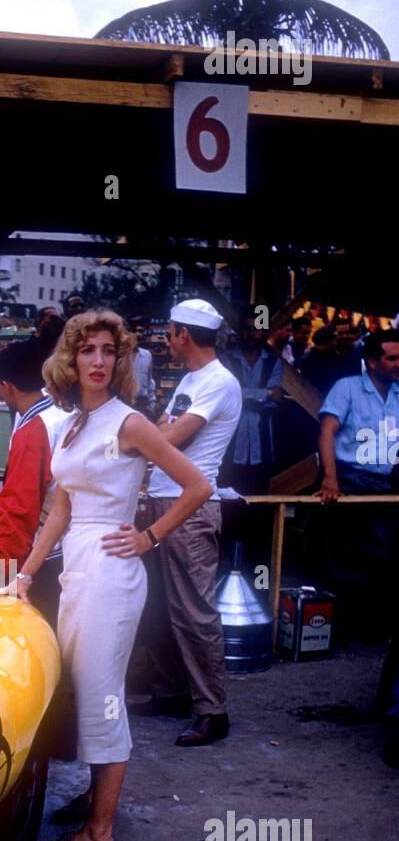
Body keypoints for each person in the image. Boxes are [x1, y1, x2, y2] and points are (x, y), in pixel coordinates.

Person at [13, 309, 212, 841]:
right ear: (70, 359)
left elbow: (198, 485)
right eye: (88, 351)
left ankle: (98, 835)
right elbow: (60, 509)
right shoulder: (75, 422)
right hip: (77, 567)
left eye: (108, 351)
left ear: (120, 360)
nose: (98, 361)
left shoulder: (130, 423)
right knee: (82, 687)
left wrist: (149, 537)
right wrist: (26, 574)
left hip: (112, 572)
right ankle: (95, 800)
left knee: (103, 697)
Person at [136, 299, 243, 746]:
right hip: (164, 498)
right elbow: (162, 427)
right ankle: (171, 692)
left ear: (183, 335)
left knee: (194, 612)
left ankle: (211, 709)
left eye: (171, 333)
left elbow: (171, 436)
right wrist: (156, 433)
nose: (167, 340)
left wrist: (147, 435)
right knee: (160, 606)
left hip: (190, 506)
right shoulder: (192, 379)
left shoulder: (218, 382)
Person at [0, 337, 72, 628]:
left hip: (50, 559)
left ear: (6, 386)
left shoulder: (36, 428)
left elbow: (20, 508)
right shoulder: (64, 415)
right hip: (77, 550)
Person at [317, 326, 399, 636]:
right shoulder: (347, 387)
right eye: (392, 359)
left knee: (383, 559)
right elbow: (327, 432)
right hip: (350, 482)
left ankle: (373, 627)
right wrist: (330, 479)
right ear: (372, 362)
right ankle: (339, 629)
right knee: (345, 560)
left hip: (388, 485)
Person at [222, 307, 284, 494]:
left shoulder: (273, 362)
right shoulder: (227, 358)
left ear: (264, 332)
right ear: (241, 330)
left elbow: (277, 398)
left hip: (262, 447)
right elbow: (228, 395)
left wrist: (243, 395)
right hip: (231, 447)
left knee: (258, 502)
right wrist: (265, 394)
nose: (252, 334)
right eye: (247, 328)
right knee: (229, 502)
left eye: (256, 329)